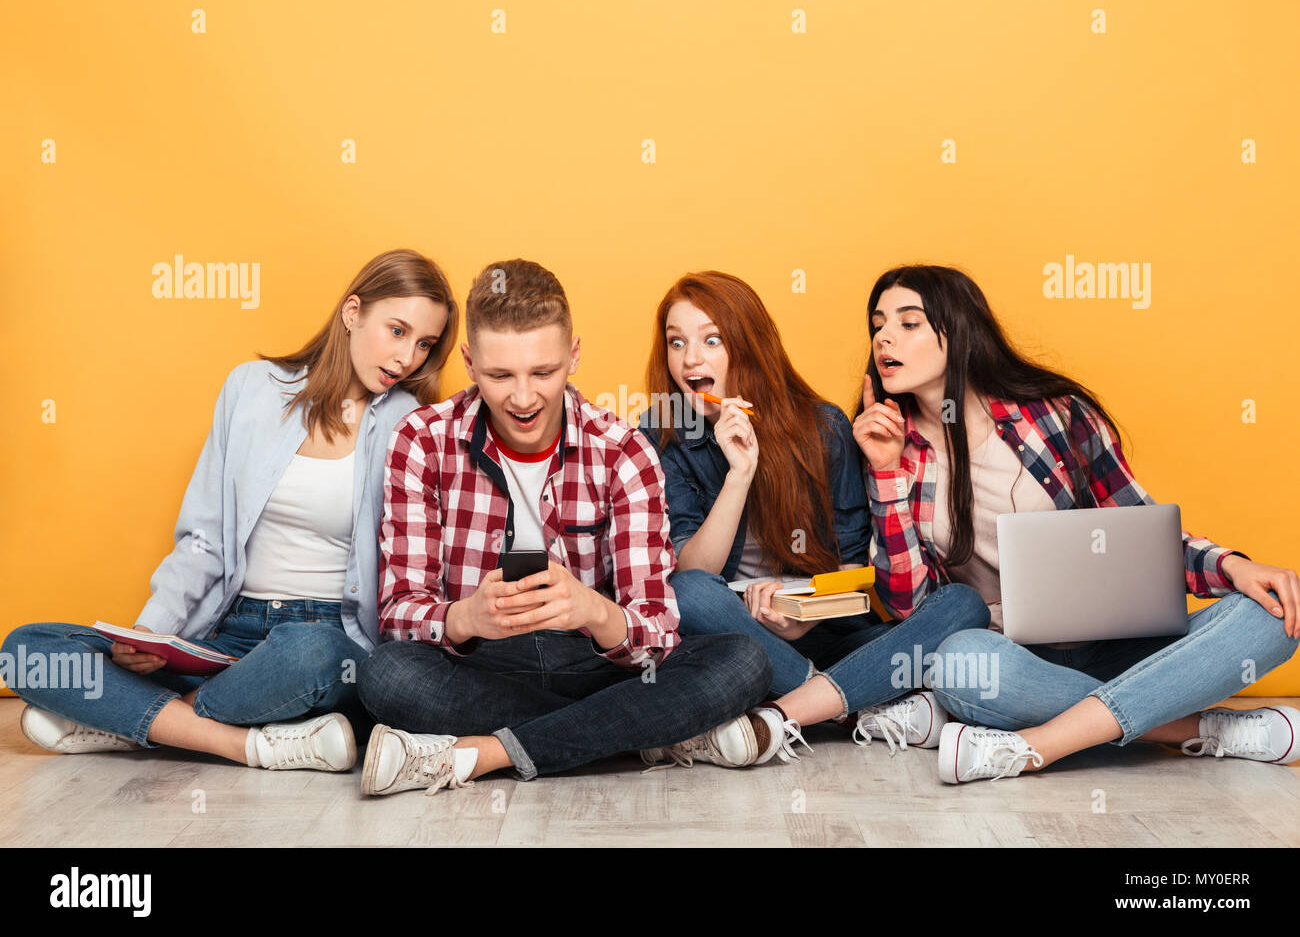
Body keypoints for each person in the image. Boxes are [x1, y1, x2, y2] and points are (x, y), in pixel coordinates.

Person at [4, 248, 457, 772]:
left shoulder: (413, 423)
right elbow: (206, 539)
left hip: (325, 641)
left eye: (424, 343)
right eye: (397, 330)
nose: (407, 358)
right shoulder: (251, 389)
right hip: (231, 634)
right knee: (26, 650)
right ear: (352, 312)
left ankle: (135, 723)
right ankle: (240, 741)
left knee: (315, 656)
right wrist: (152, 633)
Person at [851, 264, 1300, 783]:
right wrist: (885, 473)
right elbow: (914, 610)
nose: (884, 336)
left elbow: (1141, 536)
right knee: (957, 663)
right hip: (1018, 663)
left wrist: (1233, 568)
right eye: (878, 324)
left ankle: (1034, 745)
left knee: (1274, 609)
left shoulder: (1056, 415)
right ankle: (1201, 729)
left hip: (1125, 648)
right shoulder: (890, 447)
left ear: (962, 331)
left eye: (909, 323)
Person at [355, 258, 773, 796]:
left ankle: (485, 753)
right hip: (485, 667)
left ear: (574, 355)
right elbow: (398, 614)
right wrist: (464, 617)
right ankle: (647, 730)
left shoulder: (623, 450)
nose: (523, 398)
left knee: (742, 661)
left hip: (594, 663)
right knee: (385, 676)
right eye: (500, 375)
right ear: (468, 361)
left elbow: (657, 630)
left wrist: (594, 610)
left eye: (543, 373)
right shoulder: (423, 440)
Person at [640, 271, 990, 764]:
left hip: (820, 633)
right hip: (731, 631)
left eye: (711, 340)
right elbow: (693, 572)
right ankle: (844, 707)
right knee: (687, 592)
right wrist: (739, 475)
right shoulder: (661, 434)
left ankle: (785, 711)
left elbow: (854, 574)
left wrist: (802, 612)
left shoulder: (823, 426)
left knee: (961, 606)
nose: (690, 359)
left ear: (749, 344)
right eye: (676, 343)